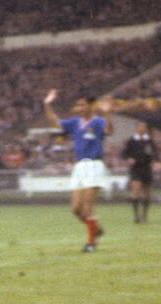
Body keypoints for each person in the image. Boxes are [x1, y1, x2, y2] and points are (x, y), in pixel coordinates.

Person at [44, 89, 112, 250]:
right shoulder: (75, 123)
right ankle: (95, 228)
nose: (80, 108)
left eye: (83, 105)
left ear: (91, 106)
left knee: (88, 207)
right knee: (75, 209)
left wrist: (108, 114)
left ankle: (91, 243)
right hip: (80, 166)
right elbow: (55, 122)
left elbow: (110, 130)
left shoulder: (98, 122)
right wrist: (47, 104)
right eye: (78, 105)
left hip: (94, 165)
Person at [122, 121, 161, 223]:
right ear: (137, 128)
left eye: (144, 127)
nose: (142, 129)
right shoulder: (132, 141)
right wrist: (128, 159)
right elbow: (124, 153)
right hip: (136, 168)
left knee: (146, 192)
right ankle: (136, 216)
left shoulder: (149, 141)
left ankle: (144, 216)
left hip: (146, 168)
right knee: (136, 189)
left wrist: (157, 161)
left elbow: (155, 153)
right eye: (140, 127)